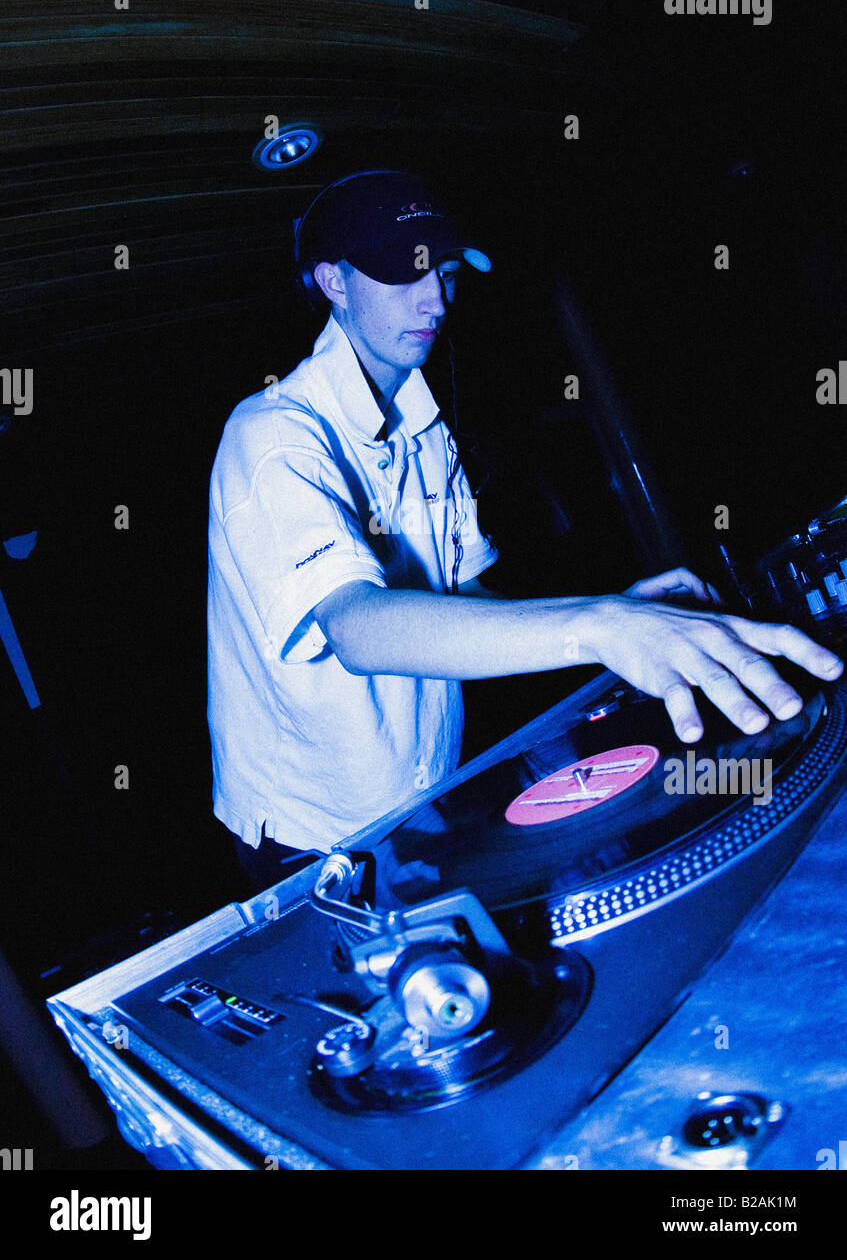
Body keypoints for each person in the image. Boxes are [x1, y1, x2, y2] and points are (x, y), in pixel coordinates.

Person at [207, 170, 843, 892]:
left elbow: (466, 591)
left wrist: (621, 607)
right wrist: (596, 626)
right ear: (333, 282)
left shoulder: (424, 430)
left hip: (422, 803)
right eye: (402, 275)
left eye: (444, 272)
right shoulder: (272, 437)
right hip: (310, 833)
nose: (435, 299)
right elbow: (357, 628)